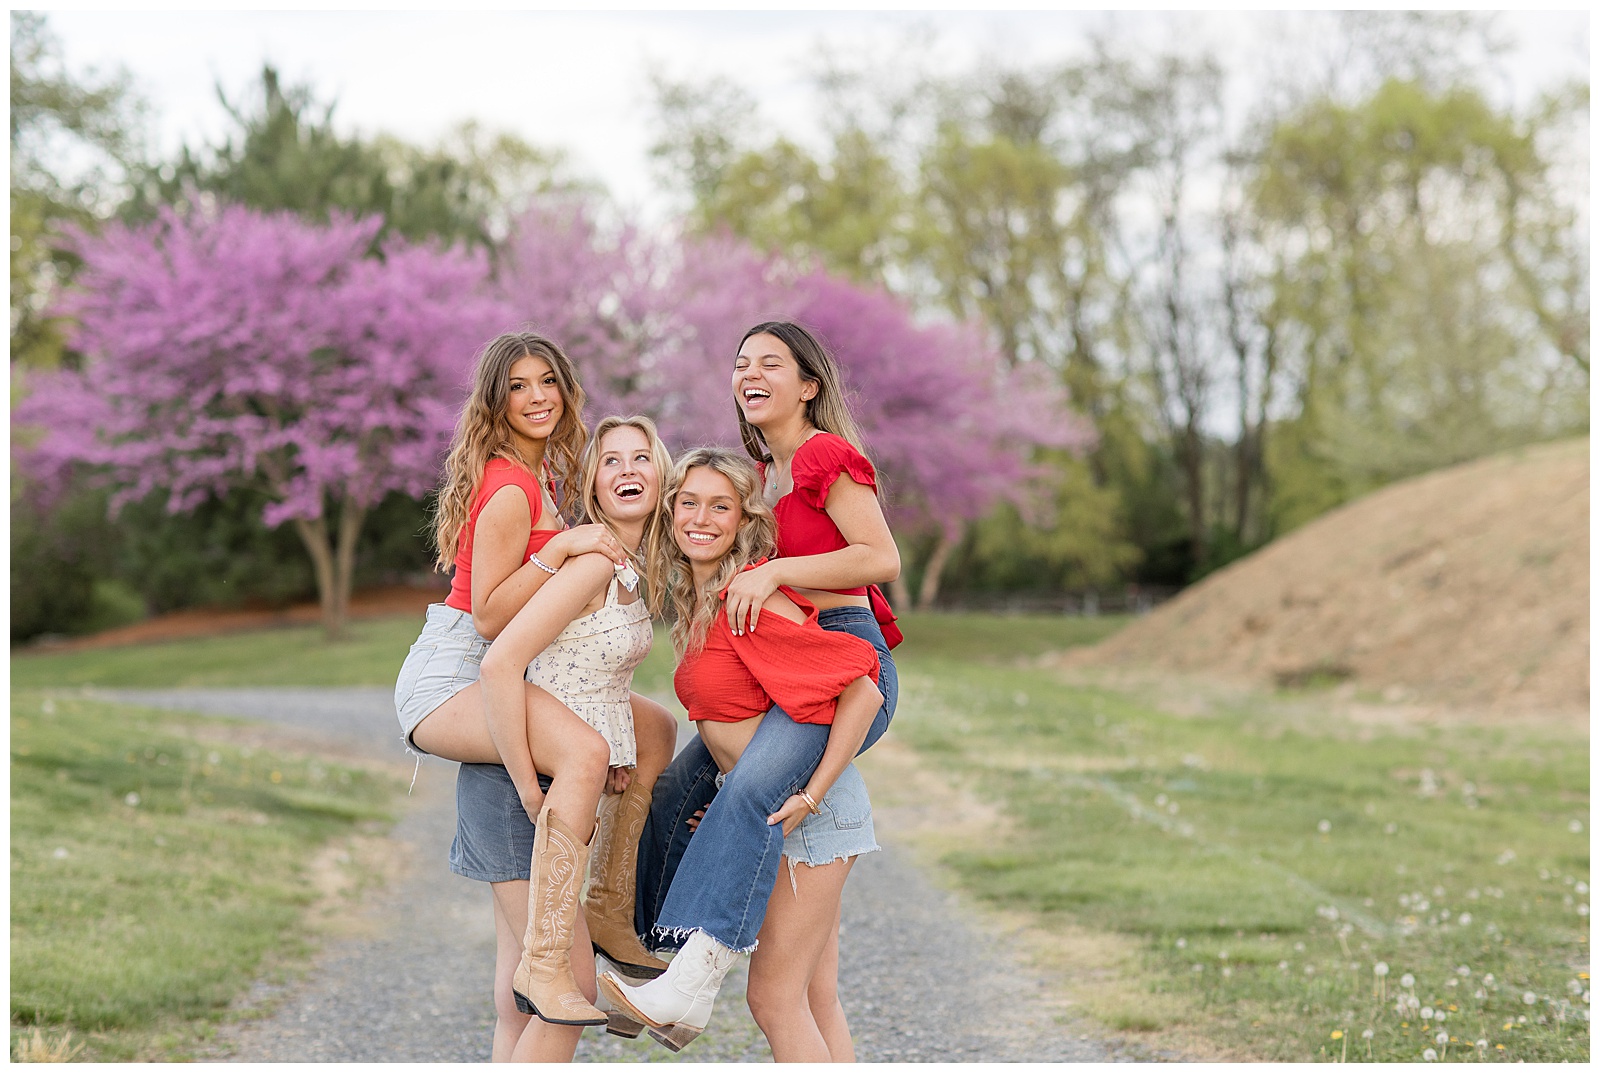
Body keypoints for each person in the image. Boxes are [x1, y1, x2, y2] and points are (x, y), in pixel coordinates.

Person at [391, 336, 674, 1050]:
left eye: (548, 381)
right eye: (519, 386)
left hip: (488, 659)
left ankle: (609, 906)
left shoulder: (537, 472)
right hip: (455, 668)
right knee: (583, 748)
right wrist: (564, 546)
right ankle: (553, 958)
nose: (538, 396)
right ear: (497, 400)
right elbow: (488, 616)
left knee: (651, 728)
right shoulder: (511, 484)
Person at [634, 321, 902, 966]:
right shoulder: (762, 474)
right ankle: (644, 947)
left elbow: (880, 557)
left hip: (844, 653)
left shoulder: (822, 456)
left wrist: (777, 571)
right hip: (787, 657)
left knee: (750, 788)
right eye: (741, 363)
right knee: (675, 792)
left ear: (809, 387)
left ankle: (694, 964)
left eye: (770, 365)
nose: (750, 374)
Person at [600, 449, 883, 1054]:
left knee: (776, 999)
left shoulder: (747, 599)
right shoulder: (702, 607)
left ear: (742, 520)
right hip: (773, 814)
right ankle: (661, 968)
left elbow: (861, 690)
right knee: (812, 997)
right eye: (689, 502)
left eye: (720, 505)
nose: (701, 517)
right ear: (670, 511)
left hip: (807, 818)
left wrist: (812, 794)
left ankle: (686, 983)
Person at [456, 415, 679, 1061]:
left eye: (642, 457)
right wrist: (528, 783)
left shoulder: (629, 566)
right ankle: (600, 921)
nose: (629, 470)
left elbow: (582, 681)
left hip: (564, 784)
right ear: (591, 483)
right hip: (519, 787)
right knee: (565, 988)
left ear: (661, 474)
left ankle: (611, 905)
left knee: (515, 1002)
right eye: (612, 460)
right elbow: (501, 663)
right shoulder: (587, 565)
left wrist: (617, 744)